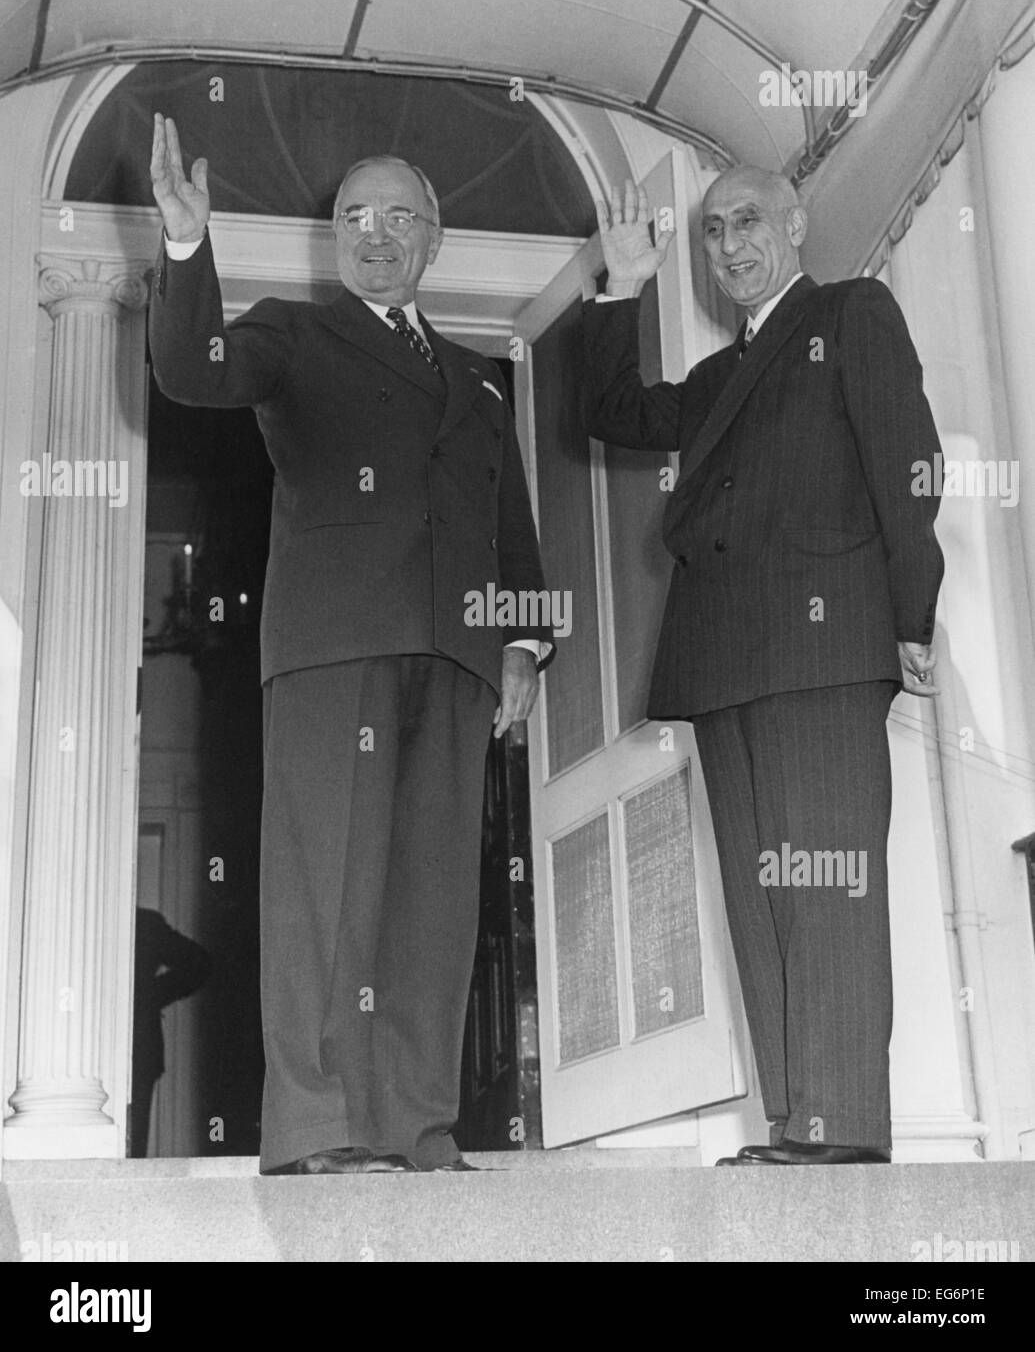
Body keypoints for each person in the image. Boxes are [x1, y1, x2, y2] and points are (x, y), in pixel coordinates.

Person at [148, 115, 551, 1175]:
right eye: (352, 217)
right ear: (337, 240)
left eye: (396, 217)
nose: (373, 235)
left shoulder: (479, 379)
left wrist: (523, 646)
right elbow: (197, 367)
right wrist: (189, 247)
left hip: (459, 657)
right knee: (324, 888)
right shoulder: (295, 332)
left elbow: (509, 522)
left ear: (434, 240)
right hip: (334, 646)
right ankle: (317, 1126)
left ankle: (415, 1126)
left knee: (432, 899)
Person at [584, 169, 943, 1165]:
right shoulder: (718, 378)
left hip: (824, 646)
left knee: (827, 886)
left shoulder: (850, 312)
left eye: (747, 222)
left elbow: (908, 461)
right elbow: (613, 409)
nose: (729, 244)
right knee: (762, 898)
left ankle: (842, 1128)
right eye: (710, 232)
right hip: (723, 657)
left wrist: (913, 612)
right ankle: (798, 1122)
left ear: (794, 224)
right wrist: (619, 285)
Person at [131, 907, 212, 1158]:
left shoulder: (142, 923)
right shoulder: (142, 921)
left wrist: (146, 996)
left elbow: (198, 962)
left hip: (138, 1046)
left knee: (133, 1145)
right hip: (135, 1046)